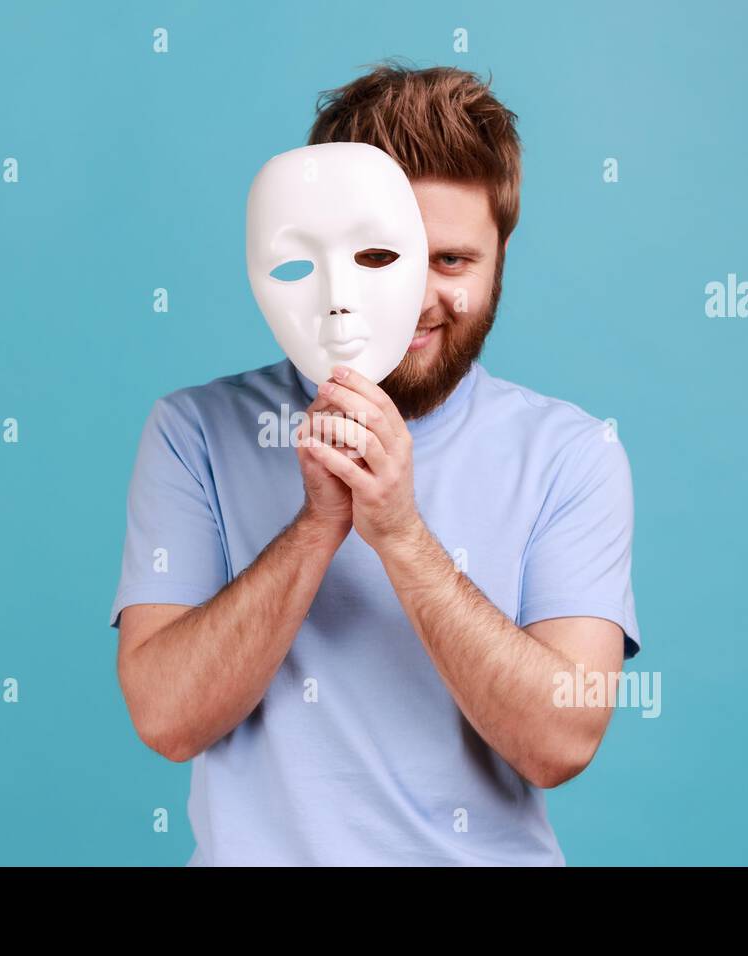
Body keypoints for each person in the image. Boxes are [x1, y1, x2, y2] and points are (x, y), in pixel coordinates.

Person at [110, 63, 641, 866]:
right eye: (386, 255)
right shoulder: (196, 432)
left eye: (454, 262)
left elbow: (562, 740)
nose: (422, 300)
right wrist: (319, 526)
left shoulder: (570, 454)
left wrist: (399, 533)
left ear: (501, 260)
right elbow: (166, 719)